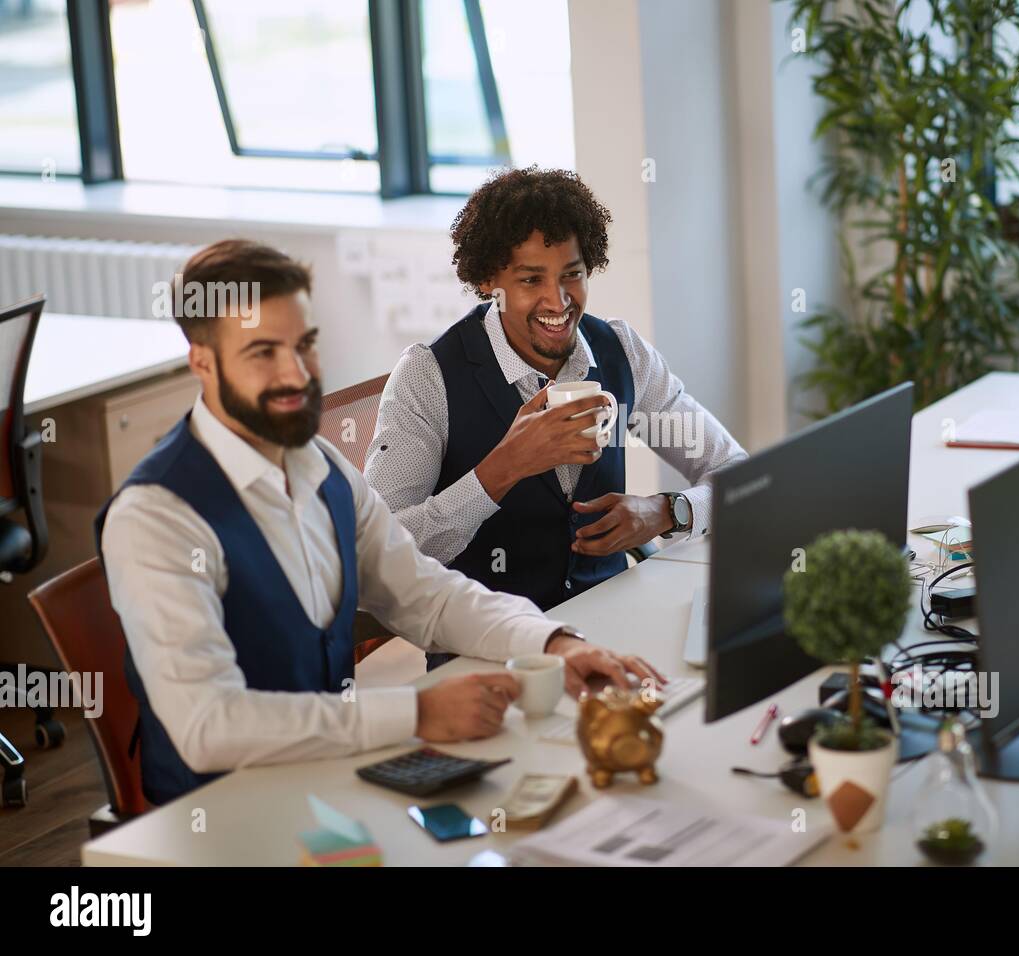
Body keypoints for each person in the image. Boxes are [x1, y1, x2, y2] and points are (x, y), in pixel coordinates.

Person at [98, 239, 662, 806]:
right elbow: (208, 728)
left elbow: (427, 596)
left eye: (305, 345)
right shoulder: (156, 517)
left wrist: (554, 641)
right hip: (221, 817)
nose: (297, 375)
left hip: (330, 785)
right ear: (203, 362)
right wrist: (416, 711)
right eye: (263, 353)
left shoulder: (321, 469)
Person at [366, 167, 747, 636]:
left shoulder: (620, 352)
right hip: (489, 646)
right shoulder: (428, 377)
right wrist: (502, 469)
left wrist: (666, 512)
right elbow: (378, 554)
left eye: (573, 274)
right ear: (490, 280)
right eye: (531, 280)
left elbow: (736, 472)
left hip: (612, 627)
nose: (558, 301)